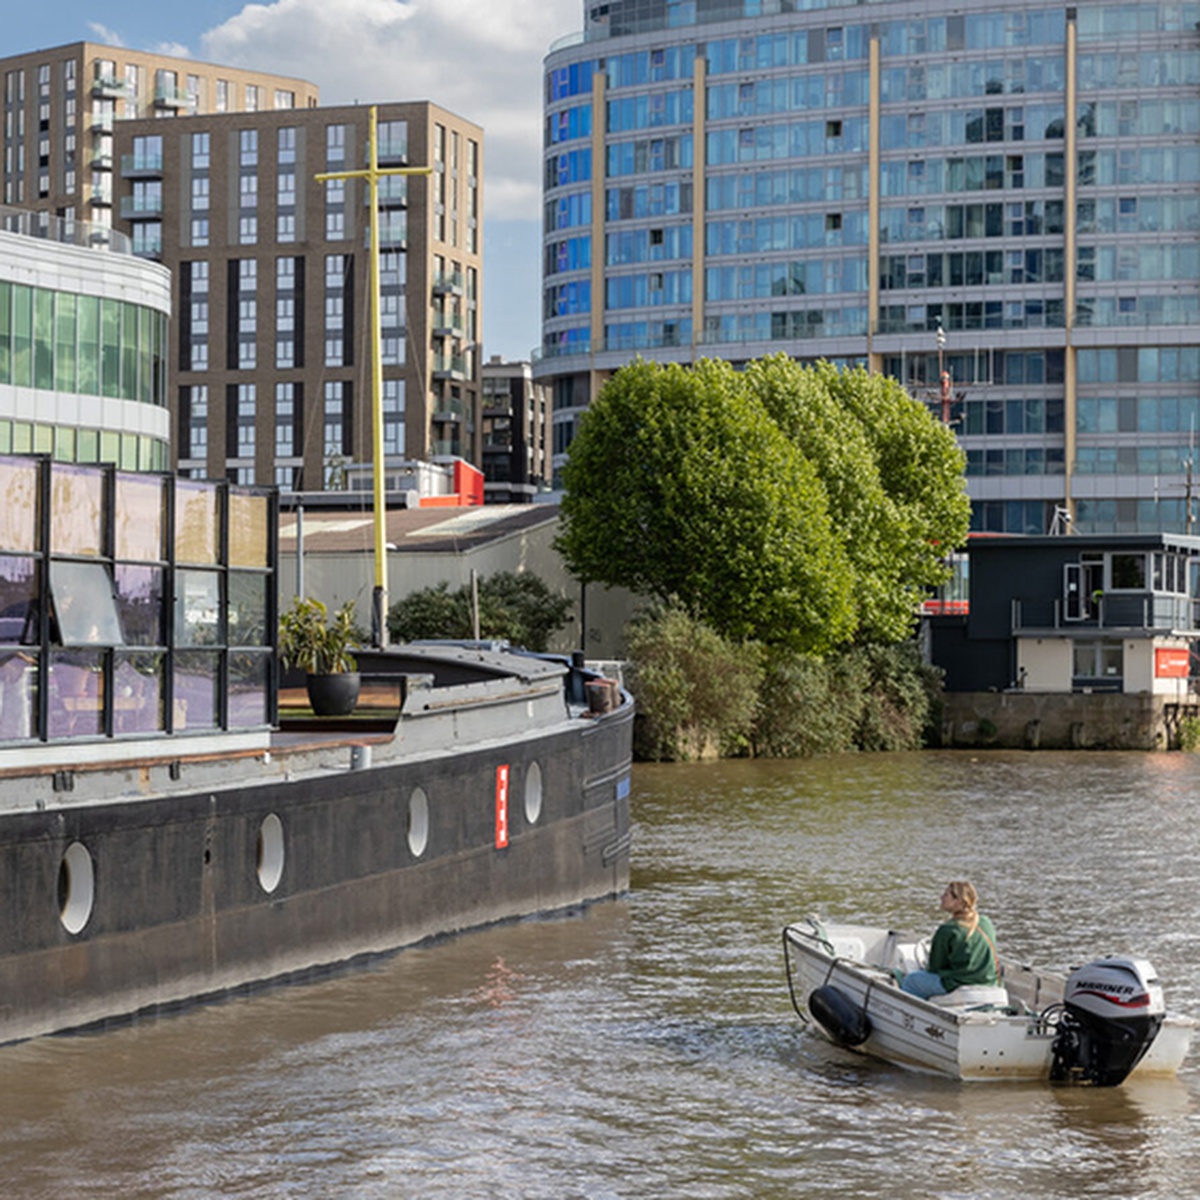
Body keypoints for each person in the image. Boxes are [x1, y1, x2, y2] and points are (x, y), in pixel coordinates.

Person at [899, 881, 999, 999]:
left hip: (958, 984)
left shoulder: (948, 929)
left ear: (957, 901)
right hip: (989, 983)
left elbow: (935, 967)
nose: (941, 897)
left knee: (911, 981)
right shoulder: (985, 922)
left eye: (946, 895)